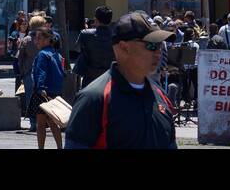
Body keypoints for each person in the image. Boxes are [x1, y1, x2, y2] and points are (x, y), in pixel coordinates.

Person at [64, 12, 176, 149]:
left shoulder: (161, 96)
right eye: (151, 45)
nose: (158, 52)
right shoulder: (94, 98)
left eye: (159, 45)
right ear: (124, 47)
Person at [31, 28, 66, 149]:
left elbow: (40, 72)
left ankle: (41, 148)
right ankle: (60, 147)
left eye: (39, 38)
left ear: (47, 39)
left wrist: (40, 87)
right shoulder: (56, 54)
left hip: (43, 91)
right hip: (55, 91)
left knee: (40, 124)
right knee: (53, 123)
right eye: (36, 38)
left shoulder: (42, 54)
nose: (36, 41)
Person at [17, 16, 46, 128]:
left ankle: (33, 123)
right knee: (43, 98)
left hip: (28, 72)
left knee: (30, 98)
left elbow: (20, 58)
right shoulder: (44, 39)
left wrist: (22, 71)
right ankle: (42, 122)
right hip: (43, 72)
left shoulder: (26, 40)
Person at [75, 5, 115, 87]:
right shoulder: (116, 36)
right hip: (109, 77)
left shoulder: (85, 34)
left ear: (95, 18)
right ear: (110, 20)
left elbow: (77, 49)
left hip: (90, 78)